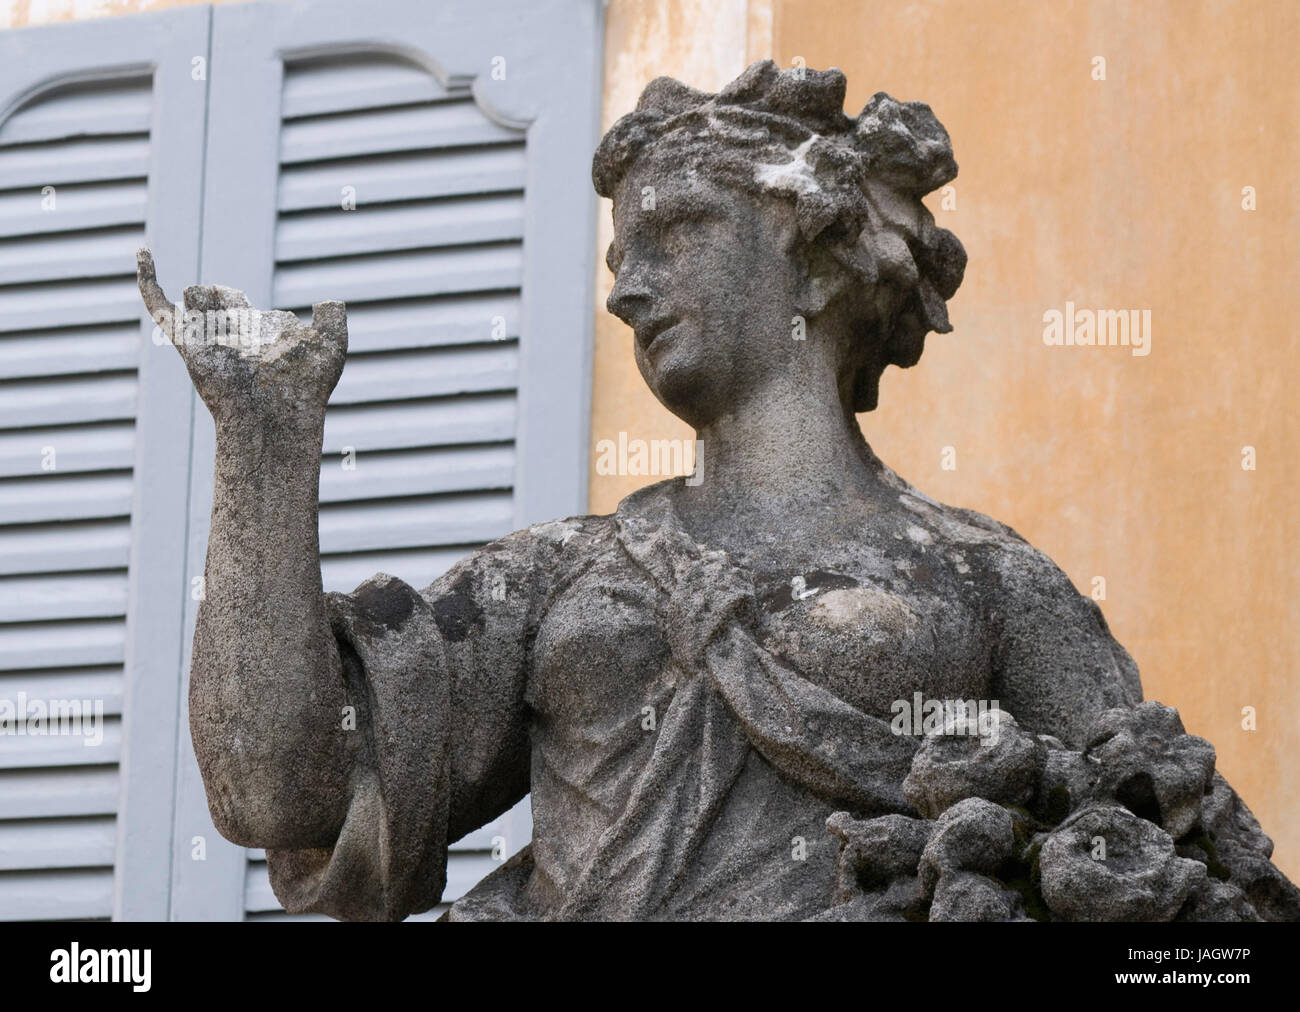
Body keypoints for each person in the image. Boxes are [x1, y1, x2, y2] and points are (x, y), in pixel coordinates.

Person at [139, 60, 1151, 921]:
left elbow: (1162, 866)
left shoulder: (983, 579)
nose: (626, 289)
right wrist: (265, 443)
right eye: (623, 256)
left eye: (677, 232)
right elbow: (276, 790)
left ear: (815, 266)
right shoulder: (556, 575)